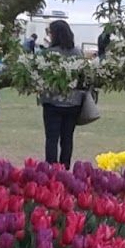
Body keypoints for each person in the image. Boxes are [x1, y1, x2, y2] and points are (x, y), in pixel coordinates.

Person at [37, 19, 86, 167]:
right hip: (73, 103)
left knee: (52, 138)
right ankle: (65, 168)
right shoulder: (77, 53)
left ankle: (51, 168)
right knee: (67, 138)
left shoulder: (49, 54)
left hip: (53, 102)